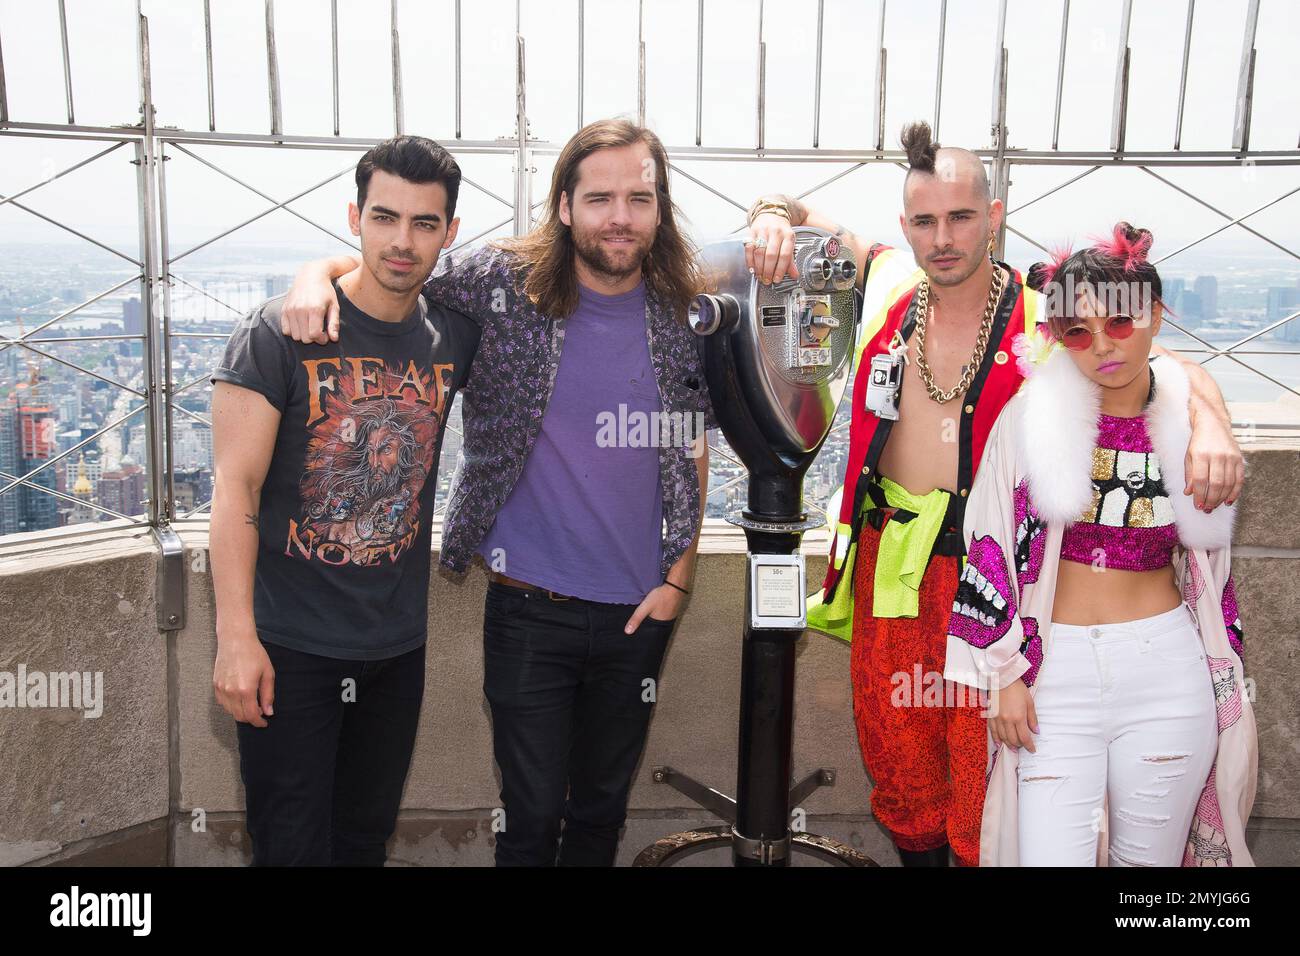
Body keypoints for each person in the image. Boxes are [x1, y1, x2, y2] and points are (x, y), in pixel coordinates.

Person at [745, 122, 1244, 867]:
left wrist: (1211, 426)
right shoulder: (884, 278)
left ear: (996, 214)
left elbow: (1163, 361)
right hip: (894, 571)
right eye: (924, 220)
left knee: (992, 786)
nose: (942, 237)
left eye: (961, 217)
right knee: (903, 775)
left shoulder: (1048, 312)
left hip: (995, 583)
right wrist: (771, 218)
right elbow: (790, 205)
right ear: (905, 225)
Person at [279, 118, 716, 866]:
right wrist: (312, 276)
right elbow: (393, 266)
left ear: (659, 208)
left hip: (639, 609)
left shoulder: (686, 309)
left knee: (600, 811)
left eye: (639, 199)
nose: (620, 216)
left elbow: (691, 442)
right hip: (526, 605)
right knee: (532, 814)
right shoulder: (504, 282)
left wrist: (679, 577)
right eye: (600, 197)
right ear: (566, 206)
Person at [945, 223, 1256, 866]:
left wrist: (1211, 418)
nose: (1101, 347)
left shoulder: (1188, 420)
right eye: (1076, 332)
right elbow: (988, 540)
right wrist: (1002, 673)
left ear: (1155, 315)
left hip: (1168, 671)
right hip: (1054, 677)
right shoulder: (1033, 419)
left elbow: (1176, 375)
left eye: (1119, 323)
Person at [209, 136, 479, 865]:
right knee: (290, 846)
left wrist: (318, 269)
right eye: (385, 217)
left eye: (425, 224)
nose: (402, 240)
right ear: (355, 217)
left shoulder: (453, 331)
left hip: (396, 646)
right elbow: (235, 488)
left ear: (449, 234)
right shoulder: (278, 333)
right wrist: (236, 638)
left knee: (363, 842)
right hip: (290, 648)